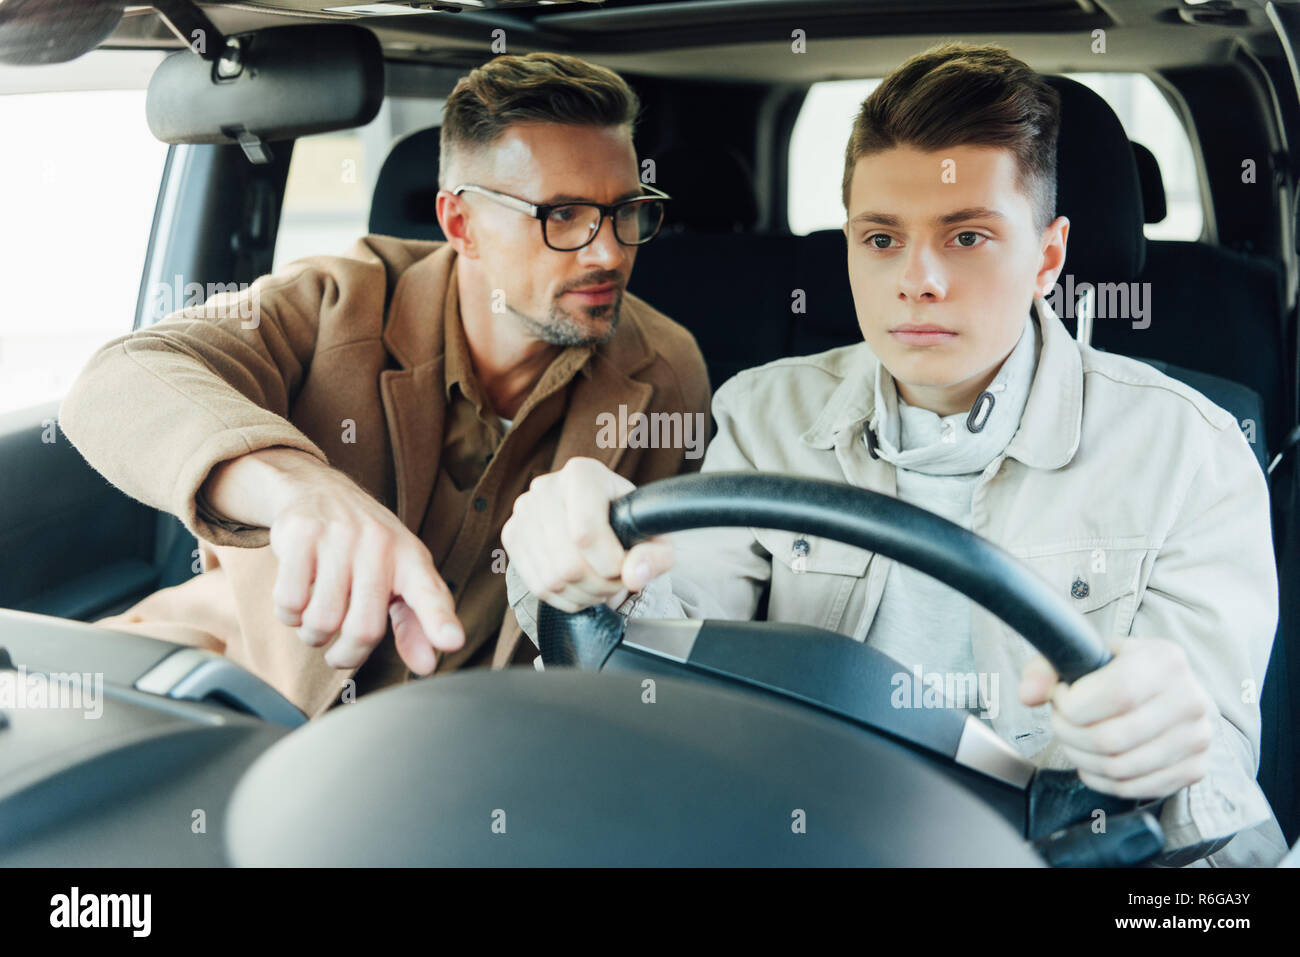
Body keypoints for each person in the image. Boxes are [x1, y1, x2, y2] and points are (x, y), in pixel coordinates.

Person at [502, 42, 1288, 866]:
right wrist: (580, 557)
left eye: (968, 237)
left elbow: (1219, 774)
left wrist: (1165, 744)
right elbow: (670, 655)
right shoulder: (767, 412)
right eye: (880, 239)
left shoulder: (1189, 449)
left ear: (1047, 257)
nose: (918, 280)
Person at [58, 52, 709, 719]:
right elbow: (116, 381)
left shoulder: (665, 371)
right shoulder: (337, 303)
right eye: (564, 215)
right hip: (265, 714)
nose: (609, 252)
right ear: (460, 225)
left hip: (488, 753)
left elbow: (653, 629)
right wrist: (301, 491)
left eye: (625, 210)